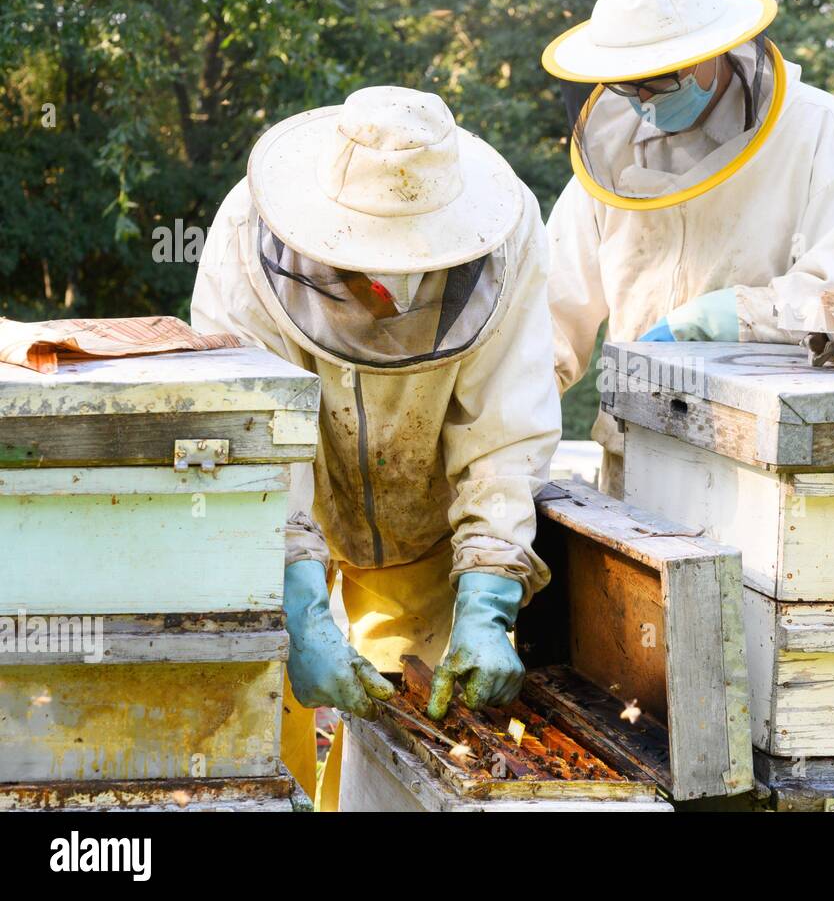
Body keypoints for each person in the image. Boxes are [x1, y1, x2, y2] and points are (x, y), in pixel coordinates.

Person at [190, 85, 561, 806]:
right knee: (260, 736)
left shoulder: (507, 234)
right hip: (283, 511)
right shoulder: (245, 232)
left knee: (408, 746)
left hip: (425, 523)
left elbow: (506, 430)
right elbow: (253, 434)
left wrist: (489, 597)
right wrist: (297, 600)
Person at [542, 0, 834, 495]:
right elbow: (550, 317)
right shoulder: (607, 155)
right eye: (626, 84)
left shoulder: (818, 133)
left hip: (762, 468)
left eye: (658, 80)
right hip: (632, 457)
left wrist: (724, 316)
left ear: (712, 54)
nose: (642, 99)